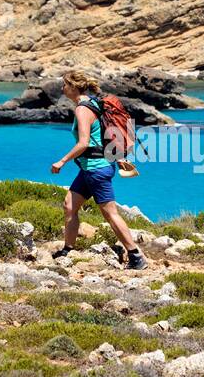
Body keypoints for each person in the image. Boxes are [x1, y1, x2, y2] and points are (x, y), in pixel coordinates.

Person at [50, 71, 147, 269]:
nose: (62, 88)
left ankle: (135, 255)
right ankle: (68, 249)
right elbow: (102, 134)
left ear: (74, 87)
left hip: (97, 169)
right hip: (90, 168)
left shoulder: (82, 109)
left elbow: (84, 143)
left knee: (110, 214)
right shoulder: (93, 102)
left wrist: (62, 161)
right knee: (69, 205)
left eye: (65, 85)